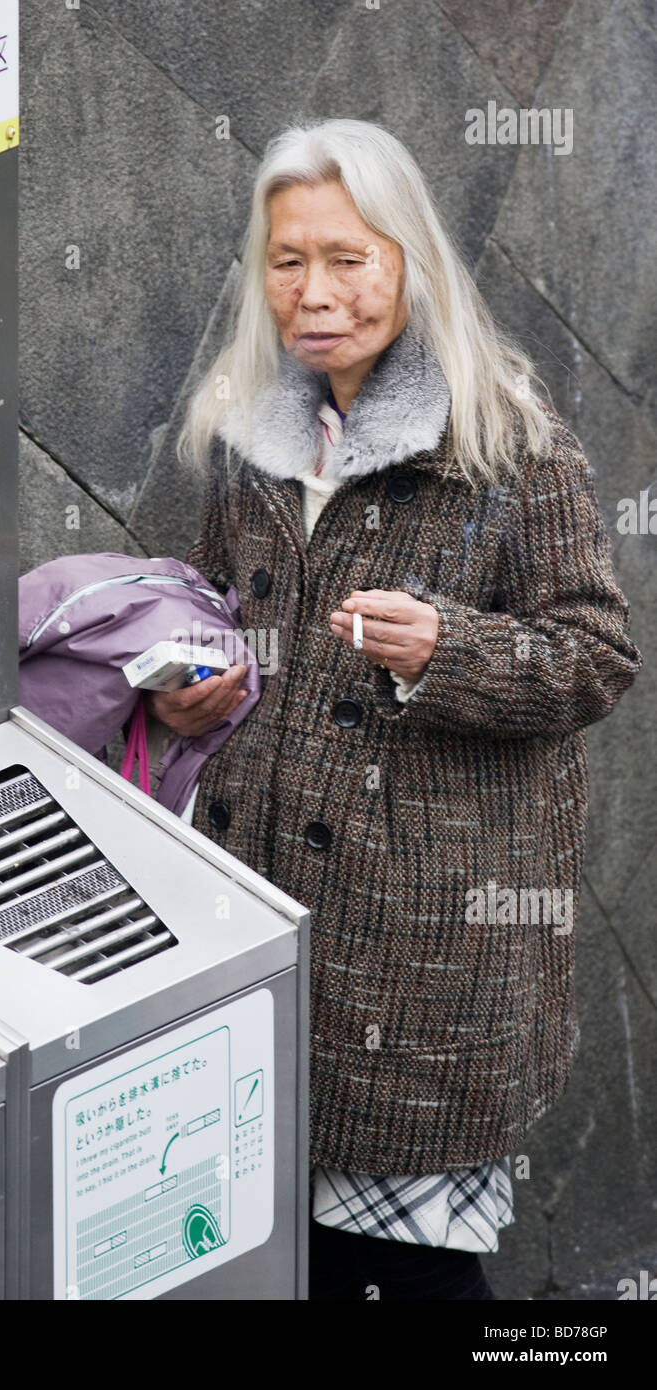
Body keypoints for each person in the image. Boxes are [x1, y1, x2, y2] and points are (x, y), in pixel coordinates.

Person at [144, 118, 640, 1300]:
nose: (314, 293)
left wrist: (446, 649)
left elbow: (595, 654)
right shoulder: (250, 442)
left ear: (407, 260)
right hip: (254, 918)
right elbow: (217, 606)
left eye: (347, 259)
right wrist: (190, 688)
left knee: (403, 1277)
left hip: (422, 961)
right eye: (286, 261)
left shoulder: (508, 446)